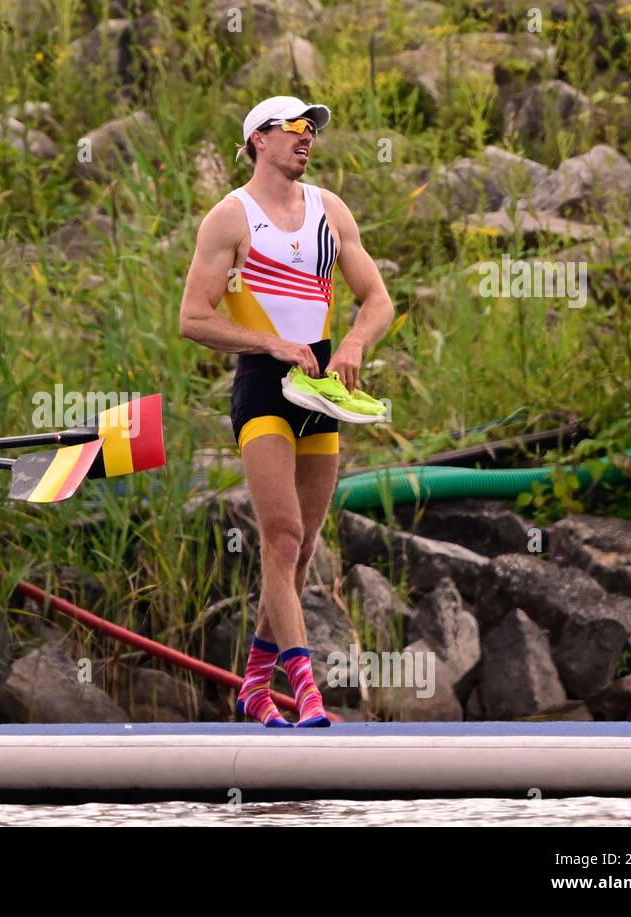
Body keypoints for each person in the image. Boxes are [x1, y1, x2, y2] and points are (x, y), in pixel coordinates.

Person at [179, 97, 394, 727]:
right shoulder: (230, 218)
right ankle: (304, 694)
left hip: (321, 389)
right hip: (263, 389)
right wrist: (271, 343)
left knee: (300, 556)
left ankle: (252, 684)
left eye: (313, 130)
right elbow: (193, 319)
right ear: (258, 140)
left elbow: (377, 298)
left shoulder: (331, 210)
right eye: (295, 129)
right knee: (282, 536)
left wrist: (354, 341)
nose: (307, 139)